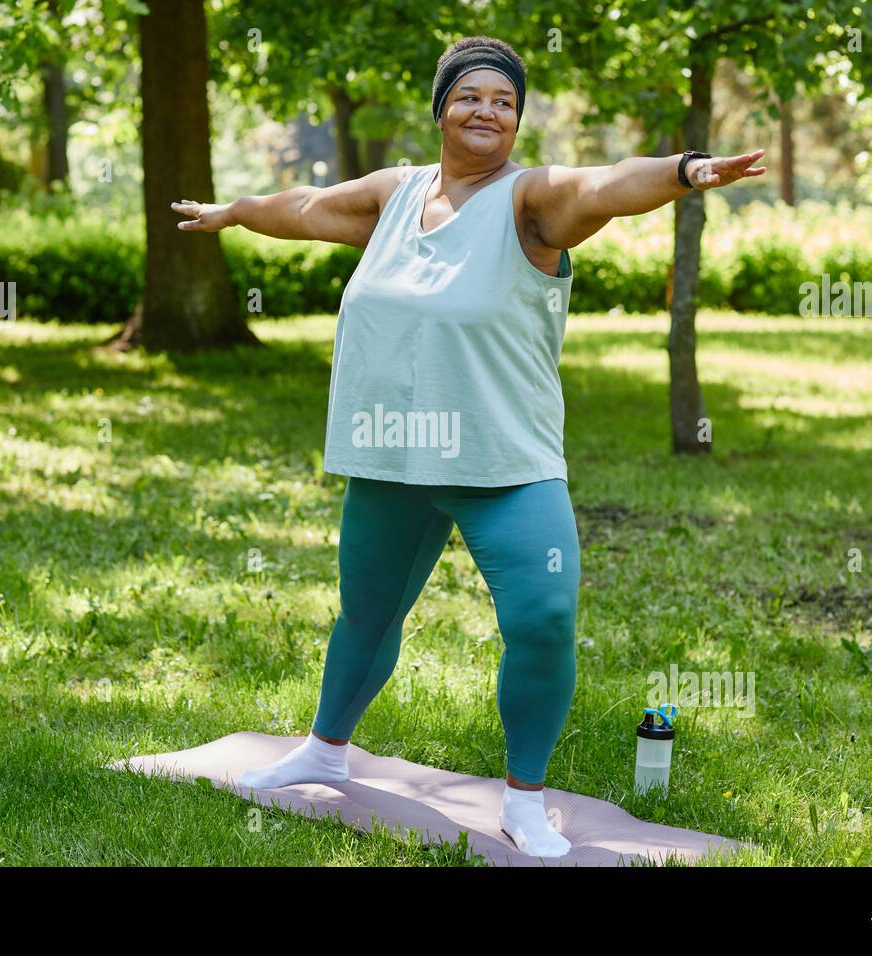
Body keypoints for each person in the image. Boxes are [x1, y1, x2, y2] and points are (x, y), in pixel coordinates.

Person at [172, 35, 765, 858]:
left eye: (506, 101)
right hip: (394, 458)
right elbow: (308, 208)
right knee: (367, 617)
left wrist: (686, 171)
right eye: (472, 96)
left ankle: (525, 800)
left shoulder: (531, 201)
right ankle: (325, 749)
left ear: (518, 120)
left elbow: (602, 185)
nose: (489, 110)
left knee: (545, 618)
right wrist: (235, 211)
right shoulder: (396, 193)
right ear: (442, 108)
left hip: (504, 464)